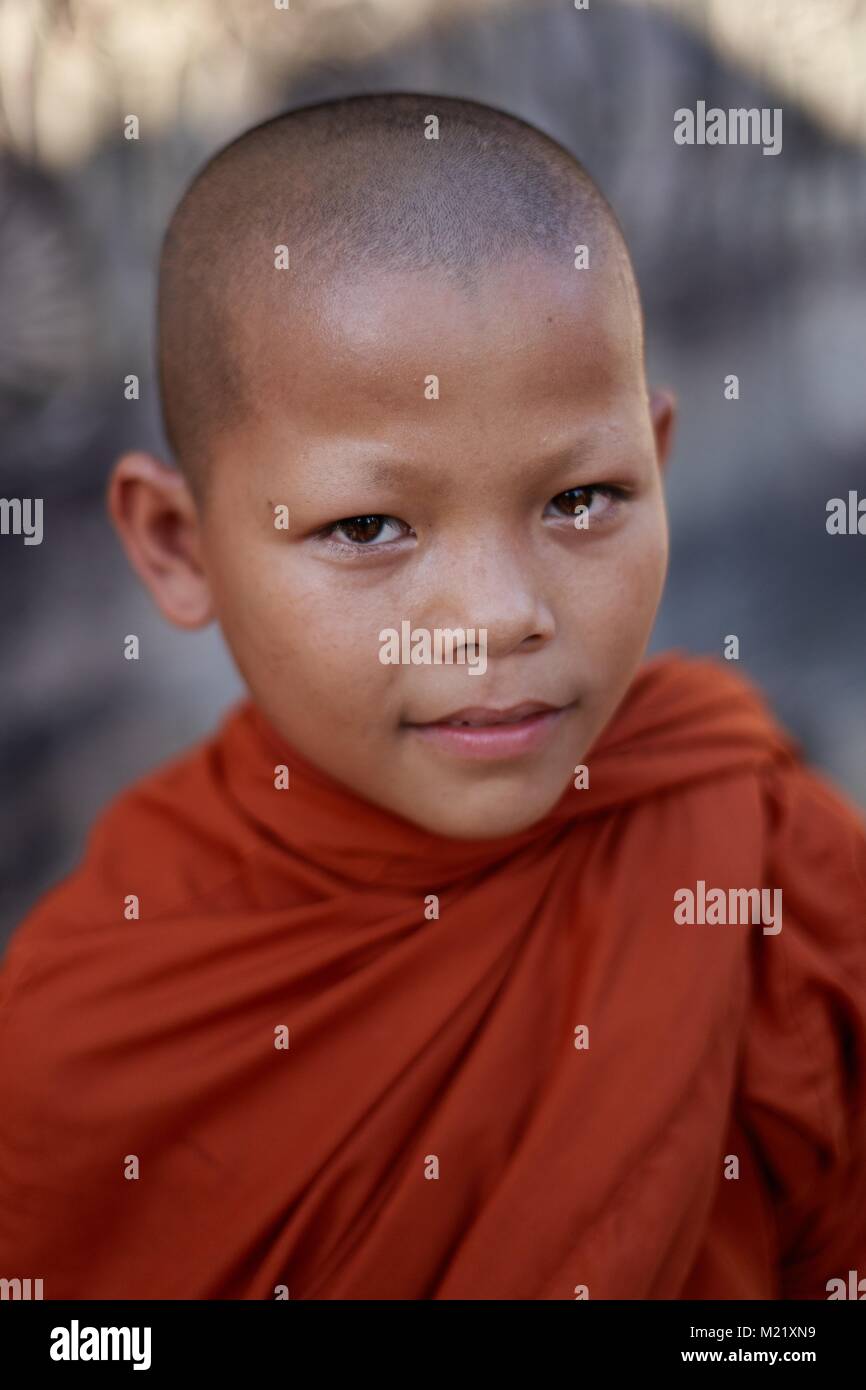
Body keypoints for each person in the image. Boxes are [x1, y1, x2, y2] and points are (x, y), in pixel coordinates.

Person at [1, 93, 864, 1300]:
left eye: (581, 500)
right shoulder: (95, 1017)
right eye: (366, 525)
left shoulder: (771, 861)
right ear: (179, 547)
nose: (501, 614)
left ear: (658, 466)